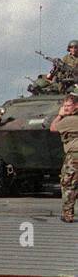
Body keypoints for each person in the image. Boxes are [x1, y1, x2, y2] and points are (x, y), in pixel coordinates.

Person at [48, 88, 78, 223]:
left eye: (68, 106)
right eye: (64, 106)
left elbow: (53, 128)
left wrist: (60, 115)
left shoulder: (69, 120)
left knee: (68, 185)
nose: (66, 108)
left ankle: (68, 215)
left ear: (76, 106)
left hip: (74, 158)